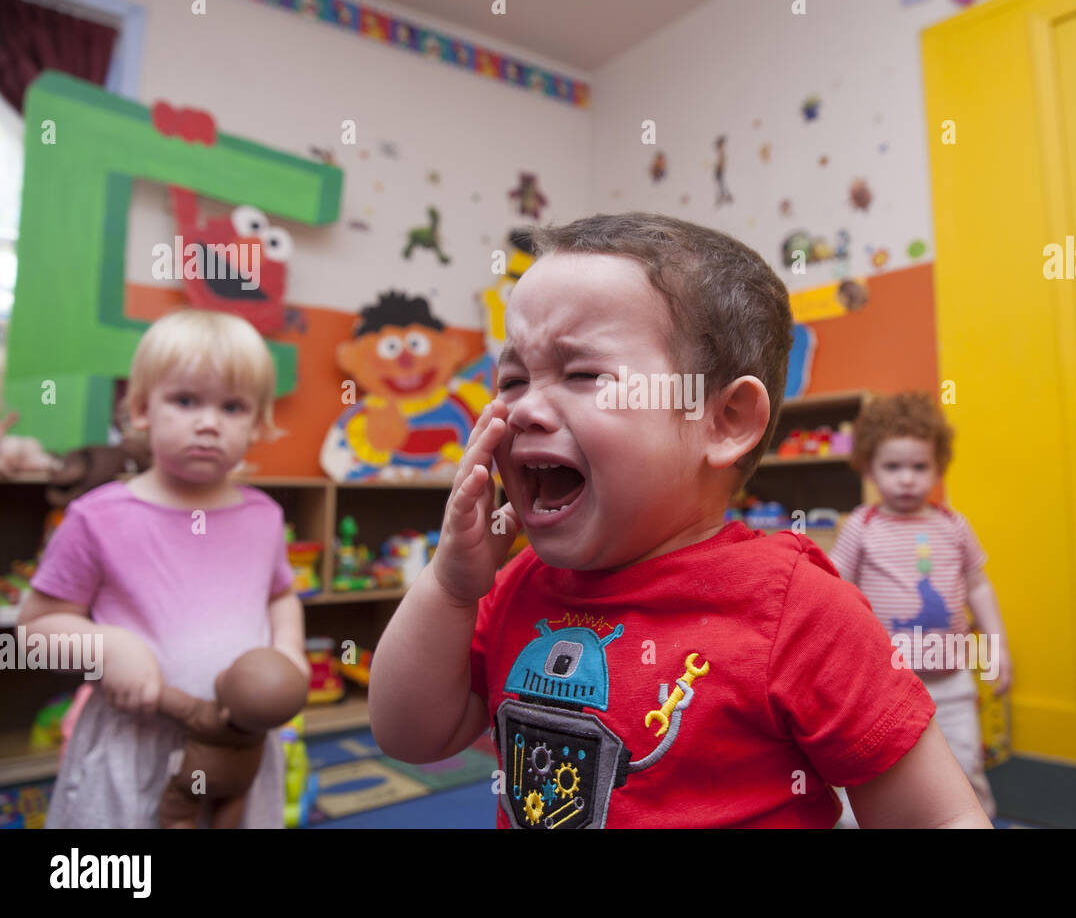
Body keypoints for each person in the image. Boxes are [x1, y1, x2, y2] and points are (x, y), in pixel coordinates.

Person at [370, 213, 990, 828]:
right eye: (511, 379)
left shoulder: (798, 612)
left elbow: (939, 817)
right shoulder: (517, 586)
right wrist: (450, 589)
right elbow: (409, 734)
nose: (524, 408)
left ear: (724, 421)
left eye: (583, 373)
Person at [19, 309, 309, 828]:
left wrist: (288, 654)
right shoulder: (97, 517)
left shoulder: (263, 516)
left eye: (233, 406)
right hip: (133, 749)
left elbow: (279, 595)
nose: (208, 422)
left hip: (237, 747)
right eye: (186, 400)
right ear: (140, 409)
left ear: (258, 423)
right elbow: (34, 631)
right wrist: (108, 648)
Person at [829, 391, 1011, 822]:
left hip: (950, 683)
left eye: (920, 467)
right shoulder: (862, 526)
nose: (907, 479)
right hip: (881, 682)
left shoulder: (952, 525)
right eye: (893, 467)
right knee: (870, 769)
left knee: (965, 768)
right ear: (870, 467)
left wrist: (997, 649)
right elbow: (835, 590)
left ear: (938, 469)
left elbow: (979, 587)